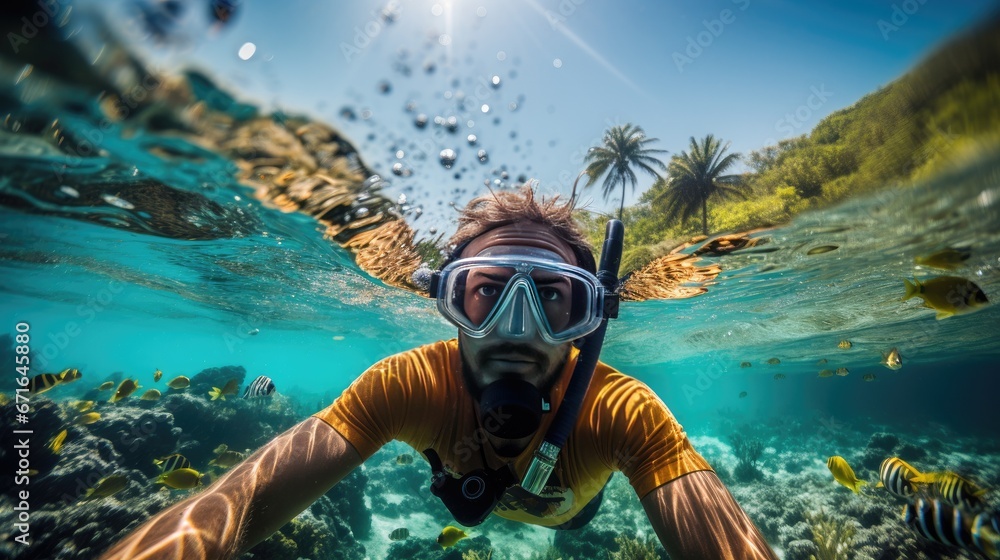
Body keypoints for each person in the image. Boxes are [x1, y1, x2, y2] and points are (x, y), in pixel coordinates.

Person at [102, 185, 777, 559]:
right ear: (448, 304)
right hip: (493, 493)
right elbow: (233, 505)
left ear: (588, 314)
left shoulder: (624, 411)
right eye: (485, 292)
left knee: (574, 518)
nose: (516, 328)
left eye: (550, 297)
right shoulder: (403, 385)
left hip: (574, 514)